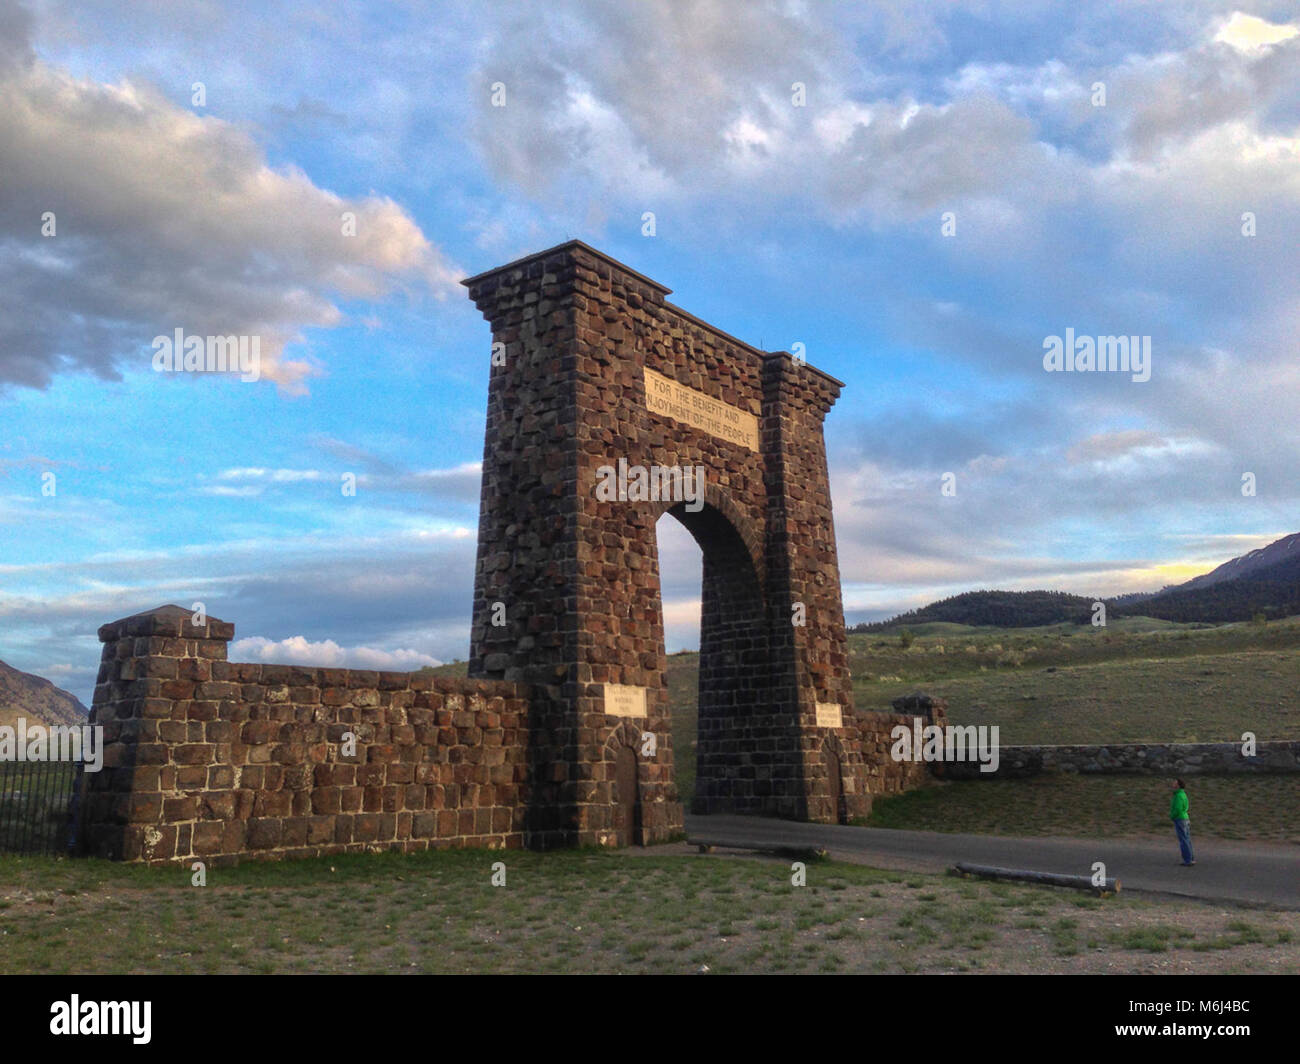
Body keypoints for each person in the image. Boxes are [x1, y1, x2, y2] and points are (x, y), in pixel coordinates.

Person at [1170, 778, 1194, 866]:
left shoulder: (1178, 796)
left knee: (1183, 840)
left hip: (1180, 819)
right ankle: (1191, 858)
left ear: (1178, 785)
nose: (1173, 784)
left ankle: (1187, 860)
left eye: (1175, 782)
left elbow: (1177, 809)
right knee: (1187, 839)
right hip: (1185, 818)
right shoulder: (1183, 794)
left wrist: (1172, 816)